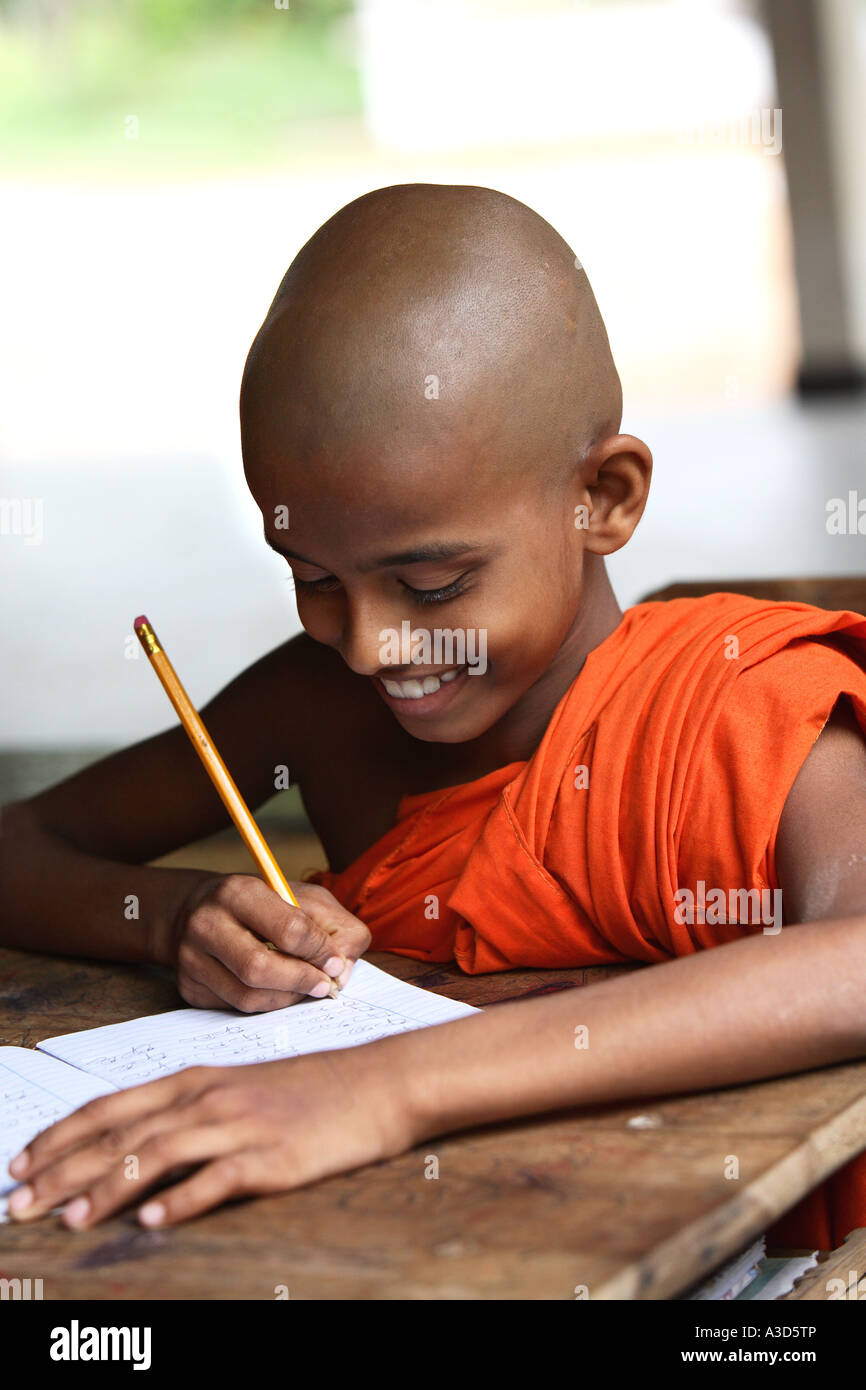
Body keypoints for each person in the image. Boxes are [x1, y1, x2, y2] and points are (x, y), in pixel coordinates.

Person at [4, 184, 866, 1250]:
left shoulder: (740, 708)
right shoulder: (316, 705)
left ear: (601, 496)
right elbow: (19, 845)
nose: (367, 646)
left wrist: (381, 1087)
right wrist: (172, 917)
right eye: (312, 575)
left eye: (431, 584)